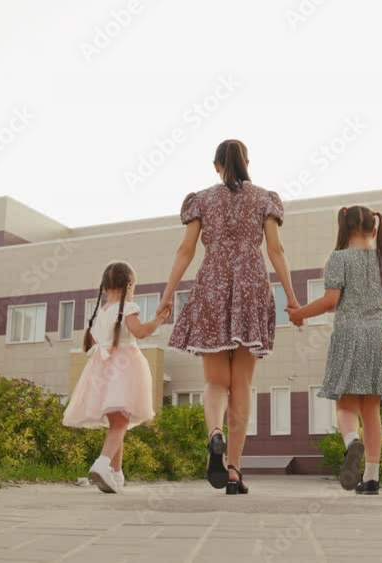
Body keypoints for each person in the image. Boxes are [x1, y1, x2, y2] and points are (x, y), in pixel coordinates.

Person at [156, 139, 299, 495]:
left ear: (216, 165)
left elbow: (186, 250)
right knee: (242, 386)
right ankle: (234, 471)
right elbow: (276, 250)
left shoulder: (201, 199)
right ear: (247, 161)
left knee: (216, 381)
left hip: (213, 285)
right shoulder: (265, 198)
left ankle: (214, 433)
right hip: (252, 283)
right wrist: (293, 299)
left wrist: (166, 296)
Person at [287, 205, 382, 495]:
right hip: (381, 336)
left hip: (350, 334)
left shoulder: (338, 259)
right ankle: (372, 478)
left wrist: (299, 312)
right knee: (372, 410)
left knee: (346, 405)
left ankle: (352, 441)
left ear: (344, 228)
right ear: (374, 230)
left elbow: (329, 301)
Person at [63, 261, 169, 493]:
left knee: (117, 422)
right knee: (121, 421)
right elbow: (140, 332)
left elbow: (92, 344)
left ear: (104, 286)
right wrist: (158, 320)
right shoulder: (128, 308)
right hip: (124, 369)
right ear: (129, 285)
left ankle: (116, 473)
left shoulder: (99, 313)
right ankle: (102, 464)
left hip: (102, 371)